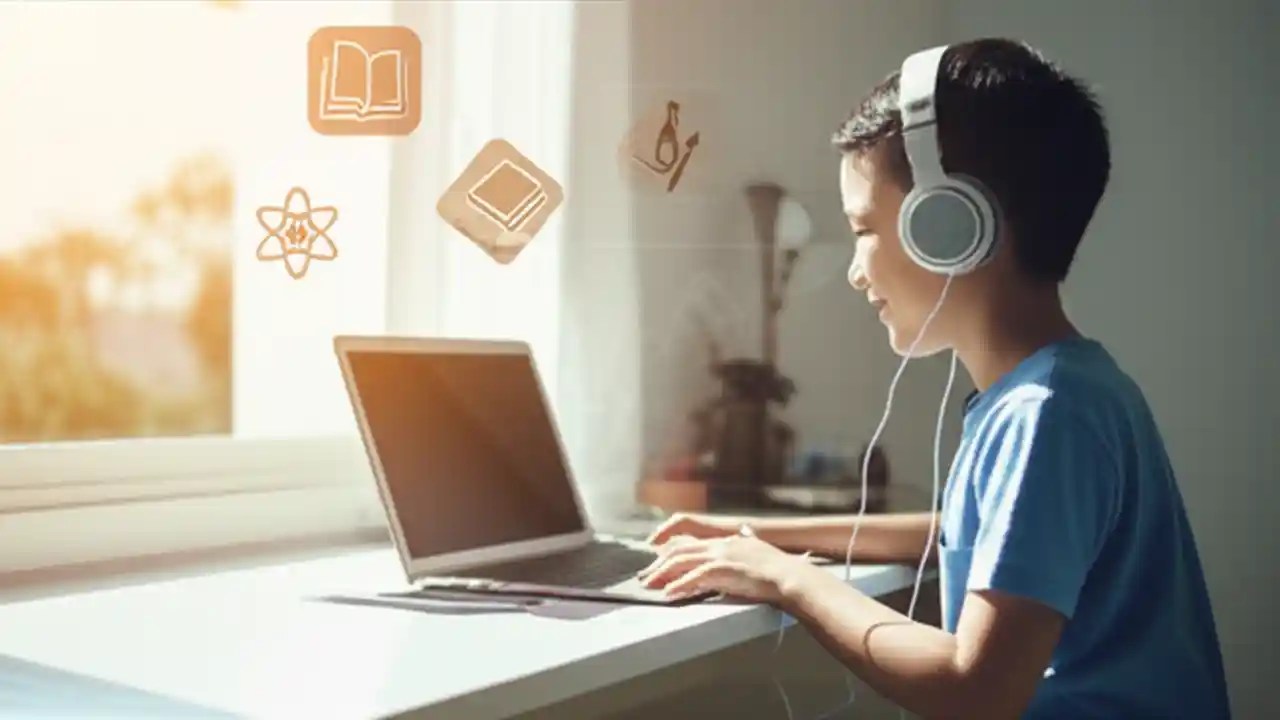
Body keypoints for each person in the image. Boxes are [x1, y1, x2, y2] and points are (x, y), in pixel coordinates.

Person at [639, 38, 1231, 719]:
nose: (855, 272)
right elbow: (970, 533)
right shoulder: (1061, 389)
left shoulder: (1048, 412)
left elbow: (975, 689)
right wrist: (754, 535)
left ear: (948, 225)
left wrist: (789, 581)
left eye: (864, 229)